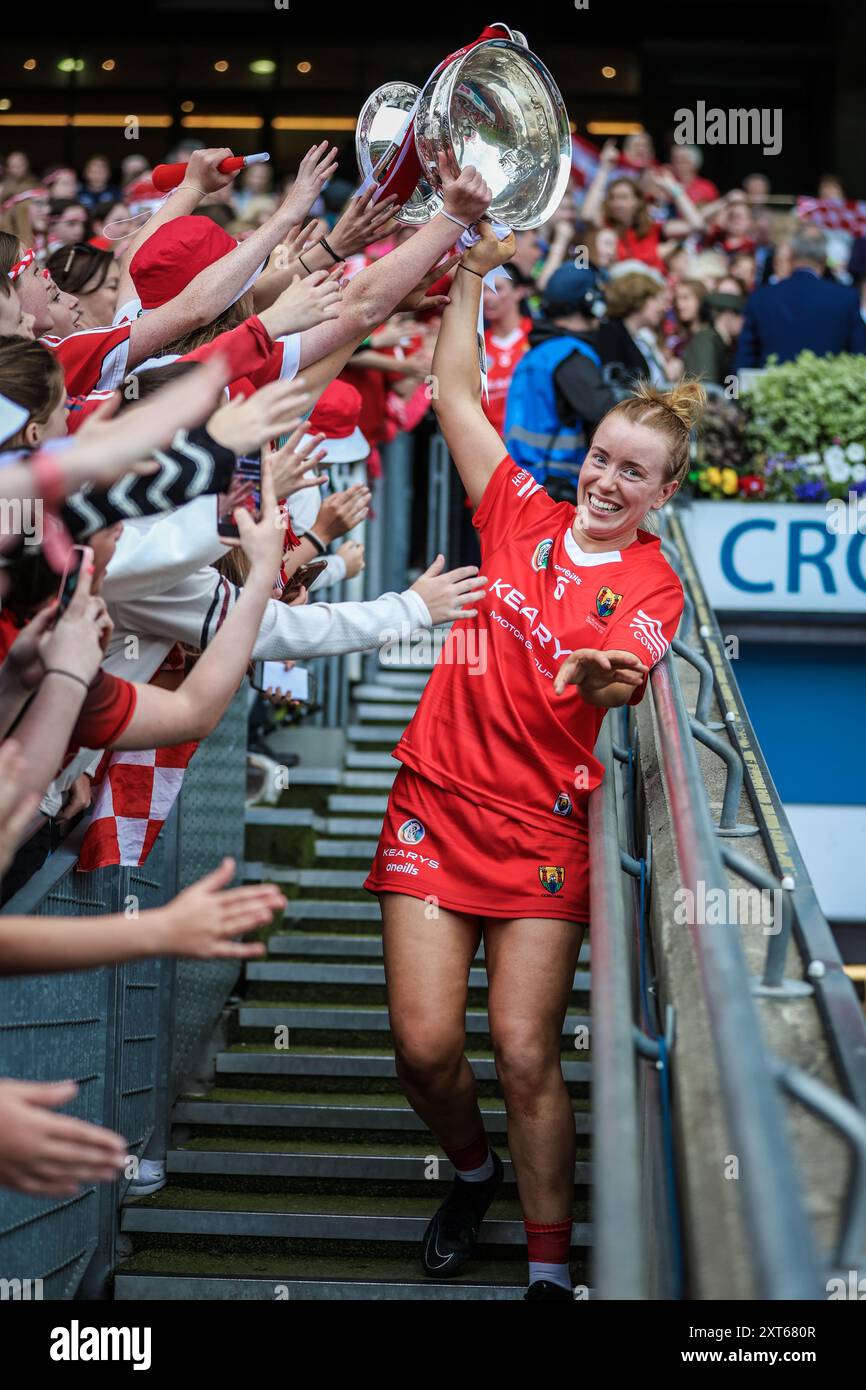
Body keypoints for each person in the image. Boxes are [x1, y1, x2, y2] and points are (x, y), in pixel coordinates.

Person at [363, 217, 693, 1300]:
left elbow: (623, 676)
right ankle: (471, 1171)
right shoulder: (515, 509)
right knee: (422, 1049)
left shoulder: (653, 586)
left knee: (520, 1049)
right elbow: (456, 396)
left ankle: (548, 1273)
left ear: (660, 494)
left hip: (544, 826)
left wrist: (600, 677)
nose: (606, 480)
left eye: (632, 474)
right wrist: (462, 276)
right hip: (435, 798)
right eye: (602, 459)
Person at [503, 264, 614, 499]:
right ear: (590, 302)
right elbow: (607, 415)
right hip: (555, 490)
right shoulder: (569, 356)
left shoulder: (539, 353)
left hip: (526, 486)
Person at [734, 225, 866, 369]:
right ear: (824, 259)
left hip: (771, 388)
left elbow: (744, 361)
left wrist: (734, 391)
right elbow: (859, 357)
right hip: (828, 388)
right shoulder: (846, 298)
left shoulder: (762, 297)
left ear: (791, 257)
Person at [480, 264, 533, 438]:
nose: (487, 297)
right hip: (490, 451)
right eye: (483, 290)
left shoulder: (538, 338)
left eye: (496, 289)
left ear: (519, 292)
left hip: (532, 448)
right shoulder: (475, 346)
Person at [683, 290, 745, 386]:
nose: (743, 321)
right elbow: (706, 386)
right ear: (728, 315)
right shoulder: (705, 341)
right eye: (740, 316)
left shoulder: (724, 343)